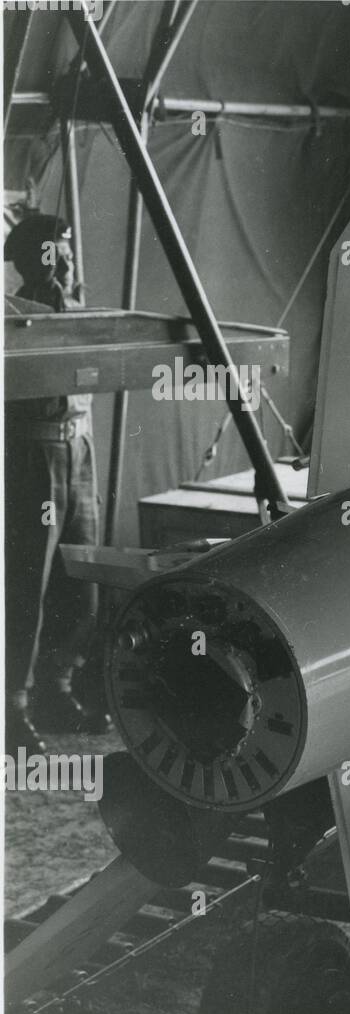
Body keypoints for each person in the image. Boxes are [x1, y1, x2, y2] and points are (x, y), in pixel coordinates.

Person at [5, 212, 110, 752]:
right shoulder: (14, 313)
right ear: (30, 261)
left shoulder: (78, 309)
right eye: (54, 252)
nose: (65, 260)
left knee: (80, 579)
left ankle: (56, 686)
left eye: (67, 250)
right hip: (34, 452)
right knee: (28, 585)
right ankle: (13, 706)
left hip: (79, 447)